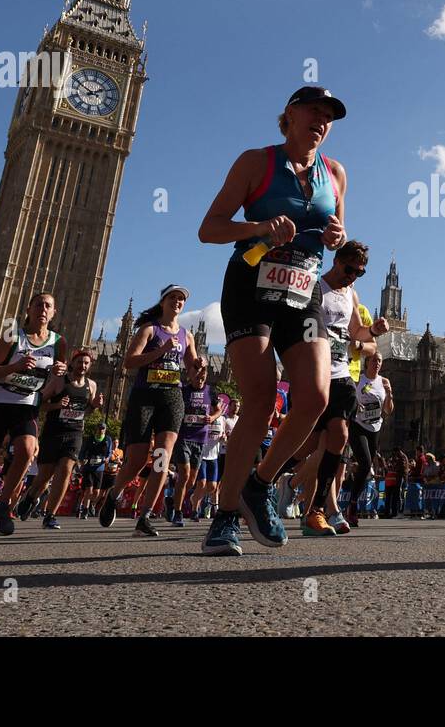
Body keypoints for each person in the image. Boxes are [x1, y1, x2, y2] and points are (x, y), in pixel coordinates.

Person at [198, 85, 353, 555]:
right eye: (314, 111)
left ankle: (259, 483)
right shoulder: (255, 162)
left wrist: (336, 237)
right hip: (251, 286)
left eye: (329, 116)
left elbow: (337, 238)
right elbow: (210, 229)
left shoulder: (337, 174)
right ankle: (224, 518)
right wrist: (261, 227)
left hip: (303, 291)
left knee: (315, 396)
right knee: (261, 398)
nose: (322, 120)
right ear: (289, 115)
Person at [290, 241, 389, 536]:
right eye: (349, 269)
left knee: (339, 436)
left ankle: (317, 511)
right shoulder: (315, 287)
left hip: (341, 374)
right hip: (313, 373)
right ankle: (262, 481)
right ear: (337, 261)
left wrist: (372, 331)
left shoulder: (351, 295)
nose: (352, 276)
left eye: (360, 272)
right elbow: (297, 327)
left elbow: (355, 331)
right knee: (306, 444)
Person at [0, 293, 67, 539]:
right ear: (28, 309)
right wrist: (14, 367)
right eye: (38, 304)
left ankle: (2, 503)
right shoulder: (12, 335)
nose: (43, 309)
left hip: (27, 405)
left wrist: (62, 371)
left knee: (27, 451)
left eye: (48, 306)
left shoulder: (59, 342)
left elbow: (58, 376)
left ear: (54, 313)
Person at [97, 285, 203, 537]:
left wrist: (200, 369)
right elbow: (129, 361)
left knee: (162, 457)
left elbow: (192, 374)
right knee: (136, 460)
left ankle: (144, 517)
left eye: (181, 299)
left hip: (172, 397)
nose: (178, 302)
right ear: (163, 302)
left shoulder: (187, 336)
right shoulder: (149, 330)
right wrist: (159, 351)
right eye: (173, 297)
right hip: (145, 396)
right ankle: (114, 495)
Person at [19, 348, 103, 529]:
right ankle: (31, 496)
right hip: (53, 432)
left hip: (75, 433)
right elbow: (39, 403)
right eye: (80, 362)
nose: (83, 365)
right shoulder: (59, 381)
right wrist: (57, 405)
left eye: (86, 363)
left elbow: (86, 412)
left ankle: (50, 515)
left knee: (65, 470)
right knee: (44, 476)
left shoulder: (92, 386)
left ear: (90, 366)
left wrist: (94, 407)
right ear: (72, 363)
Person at [169, 360, 225, 527]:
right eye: (198, 374)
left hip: (200, 439)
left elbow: (218, 409)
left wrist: (213, 418)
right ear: (191, 375)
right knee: (184, 475)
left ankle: (171, 501)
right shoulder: (183, 391)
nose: (201, 378)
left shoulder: (210, 392)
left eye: (203, 375)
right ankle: (178, 513)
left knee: (192, 481)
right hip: (184, 438)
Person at [346, 350, 394, 527]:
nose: (377, 363)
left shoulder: (384, 381)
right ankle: (352, 506)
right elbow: (350, 396)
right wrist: (354, 404)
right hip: (358, 425)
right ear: (367, 363)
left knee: (367, 468)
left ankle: (352, 504)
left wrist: (389, 395)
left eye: (380, 360)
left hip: (375, 428)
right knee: (365, 463)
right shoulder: (359, 378)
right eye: (374, 360)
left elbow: (388, 410)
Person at [77, 424, 112, 519]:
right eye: (99, 428)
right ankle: (85, 510)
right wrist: (82, 460)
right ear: (96, 429)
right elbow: (82, 451)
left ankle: (92, 504)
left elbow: (109, 452)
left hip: (99, 468)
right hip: (89, 467)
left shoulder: (108, 439)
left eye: (103, 428)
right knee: (89, 490)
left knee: (96, 492)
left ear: (105, 430)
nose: (101, 430)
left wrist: (107, 458)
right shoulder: (90, 439)